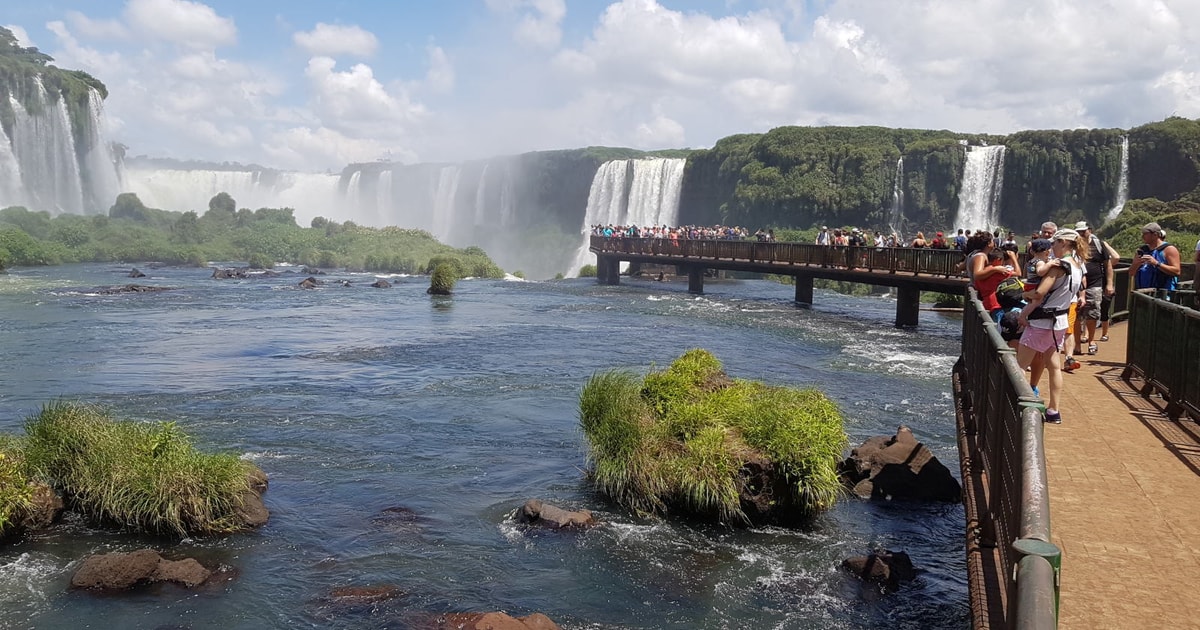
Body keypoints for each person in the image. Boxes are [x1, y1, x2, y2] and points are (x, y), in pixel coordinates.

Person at [1017, 229, 1086, 424]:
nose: (1051, 248)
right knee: (1054, 367)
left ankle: (1022, 405)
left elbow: (1039, 293)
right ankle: (1054, 410)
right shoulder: (1078, 265)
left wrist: (1024, 296)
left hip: (1042, 322)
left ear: (1063, 243)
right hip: (1060, 322)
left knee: (1021, 365)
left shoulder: (1059, 267)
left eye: (1054, 243)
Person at [1073, 221, 1113, 356]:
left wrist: (1109, 284)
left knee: (1093, 313)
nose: (1080, 234)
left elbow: (1108, 265)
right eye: (1078, 232)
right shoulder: (1073, 245)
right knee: (1077, 314)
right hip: (1076, 284)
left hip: (1095, 283)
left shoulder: (1098, 245)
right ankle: (1077, 344)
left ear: (1089, 230)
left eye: (1083, 231)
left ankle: (1091, 341)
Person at [1130, 222, 1181, 291]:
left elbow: (1177, 271)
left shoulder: (1169, 249)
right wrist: (1135, 264)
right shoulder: (1142, 250)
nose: (1143, 236)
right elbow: (1131, 273)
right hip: (1142, 293)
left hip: (1162, 294)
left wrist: (1156, 263)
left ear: (1155, 235)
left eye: (1145, 234)